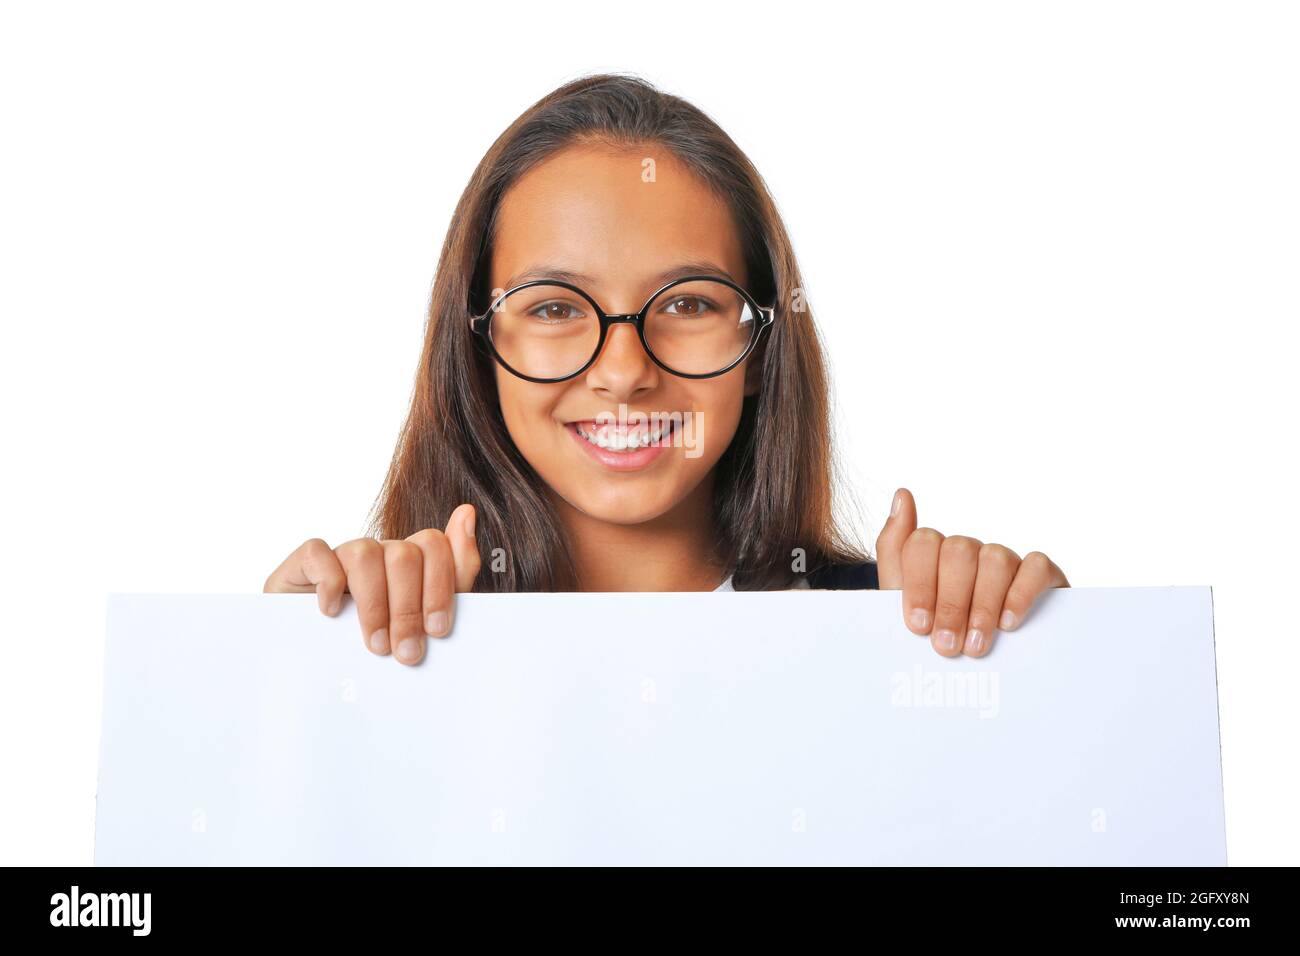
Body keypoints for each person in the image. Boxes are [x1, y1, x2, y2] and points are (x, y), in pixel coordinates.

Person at [264, 73, 1068, 666]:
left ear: (761, 347)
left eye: (686, 305)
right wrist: (274, 672)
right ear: (478, 348)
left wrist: (1044, 658)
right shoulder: (376, 641)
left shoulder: (903, 627)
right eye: (552, 307)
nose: (623, 371)